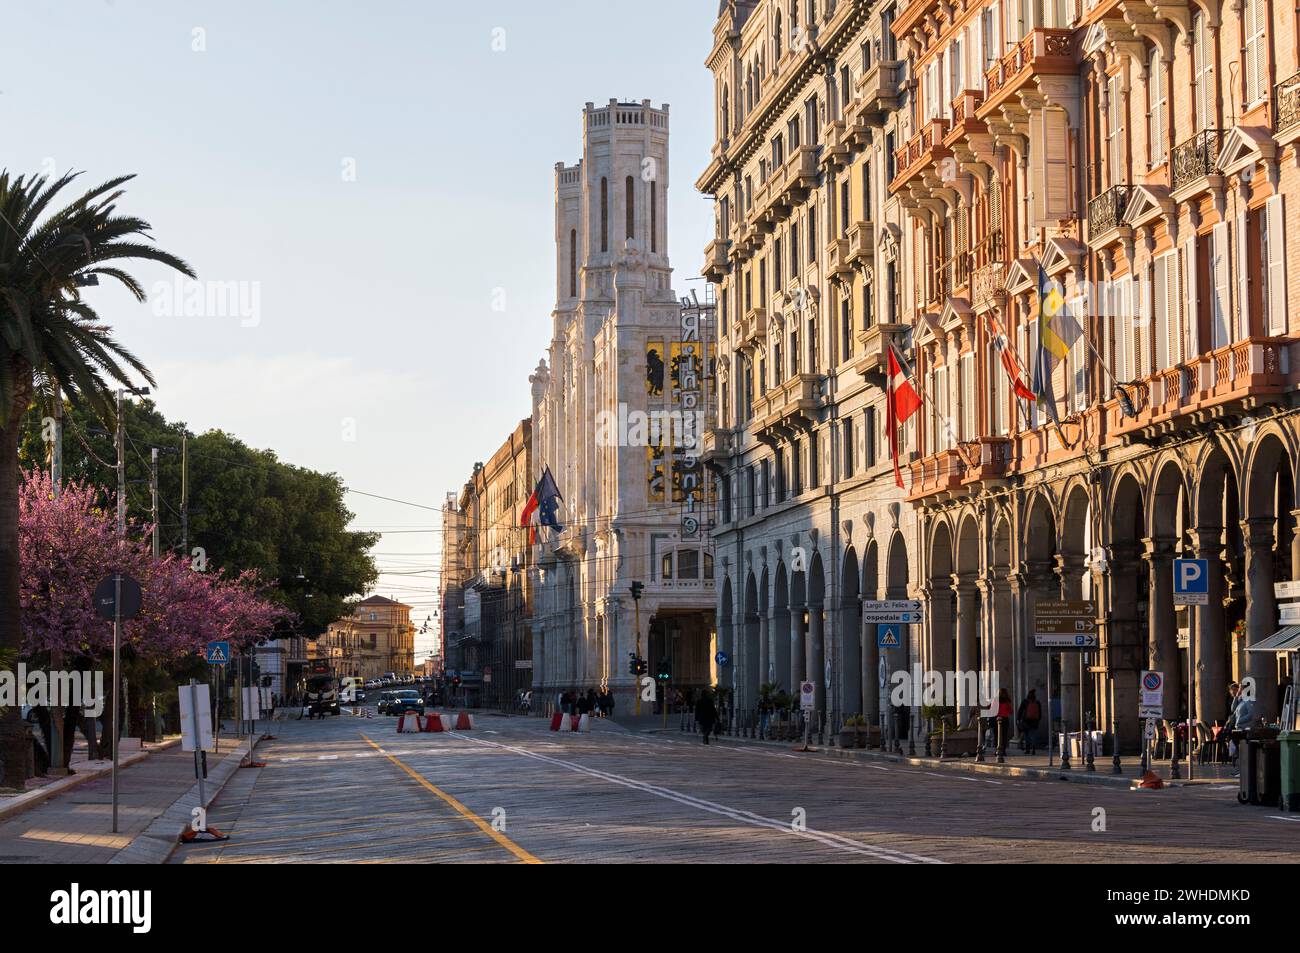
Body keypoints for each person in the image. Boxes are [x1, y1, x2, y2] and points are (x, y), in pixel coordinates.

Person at [1017, 689, 1042, 755]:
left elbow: (1020, 711)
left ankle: (1027, 749)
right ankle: (1033, 748)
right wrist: (1038, 719)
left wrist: (1018, 719)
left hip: (1026, 721)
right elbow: (1040, 713)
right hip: (1035, 721)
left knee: (1026, 735)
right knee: (1033, 735)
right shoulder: (1037, 702)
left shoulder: (1025, 701)